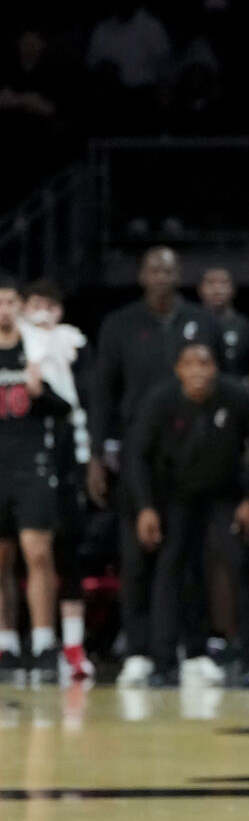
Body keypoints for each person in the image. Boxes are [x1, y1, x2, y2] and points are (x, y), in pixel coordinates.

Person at [91, 247, 225, 687]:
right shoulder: (120, 325)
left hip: (194, 455)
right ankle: (139, 650)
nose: (162, 276)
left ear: (178, 274)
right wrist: (96, 453)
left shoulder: (202, 322)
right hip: (138, 456)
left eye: (169, 269)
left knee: (191, 558)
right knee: (136, 559)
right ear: (142, 276)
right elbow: (103, 393)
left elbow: (224, 385)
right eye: (154, 269)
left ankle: (196, 649)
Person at [126, 341, 249, 686]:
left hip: (225, 493)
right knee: (170, 567)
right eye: (190, 364)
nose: (198, 371)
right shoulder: (161, 401)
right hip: (176, 493)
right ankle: (163, 661)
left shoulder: (240, 399)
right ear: (178, 371)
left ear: (216, 368)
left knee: (239, 564)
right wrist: (145, 507)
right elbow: (137, 456)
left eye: (205, 364)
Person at [21, 279, 92, 681]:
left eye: (49, 303)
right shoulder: (14, 350)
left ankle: (70, 645)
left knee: (66, 550)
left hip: (70, 457)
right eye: (34, 303)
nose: (41, 311)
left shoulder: (75, 348)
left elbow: (82, 400)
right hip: (21, 460)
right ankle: (20, 642)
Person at [0, 277, 68, 684]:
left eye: (11, 300)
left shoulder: (40, 350)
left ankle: (44, 642)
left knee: (38, 555)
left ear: (22, 306)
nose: (5, 308)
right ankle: (5, 642)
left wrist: (40, 391)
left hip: (33, 467)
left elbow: (67, 405)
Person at [197, 267, 249, 406]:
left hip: (235, 403)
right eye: (210, 283)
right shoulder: (188, 327)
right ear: (200, 289)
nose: (217, 289)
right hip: (196, 401)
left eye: (223, 283)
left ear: (233, 289)